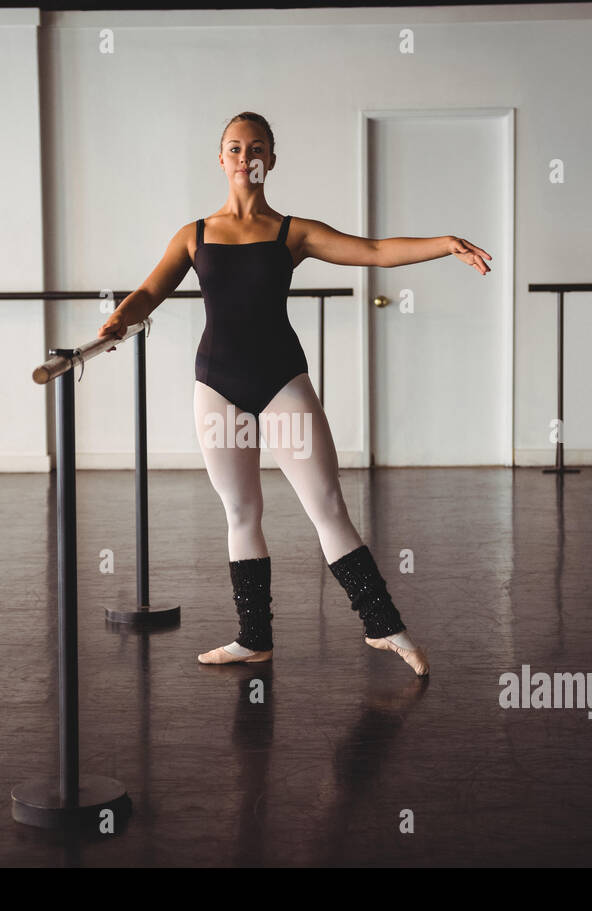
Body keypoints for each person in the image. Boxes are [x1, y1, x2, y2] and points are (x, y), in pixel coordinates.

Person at [98, 111, 492, 677]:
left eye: (255, 147)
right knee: (241, 511)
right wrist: (118, 320)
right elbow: (149, 290)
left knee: (327, 506)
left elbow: (376, 250)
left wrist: (444, 244)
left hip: (281, 381)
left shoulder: (292, 233)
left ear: (270, 160)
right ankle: (253, 638)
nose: (243, 156)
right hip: (217, 386)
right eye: (233, 147)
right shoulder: (195, 235)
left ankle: (384, 625)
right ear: (221, 158)